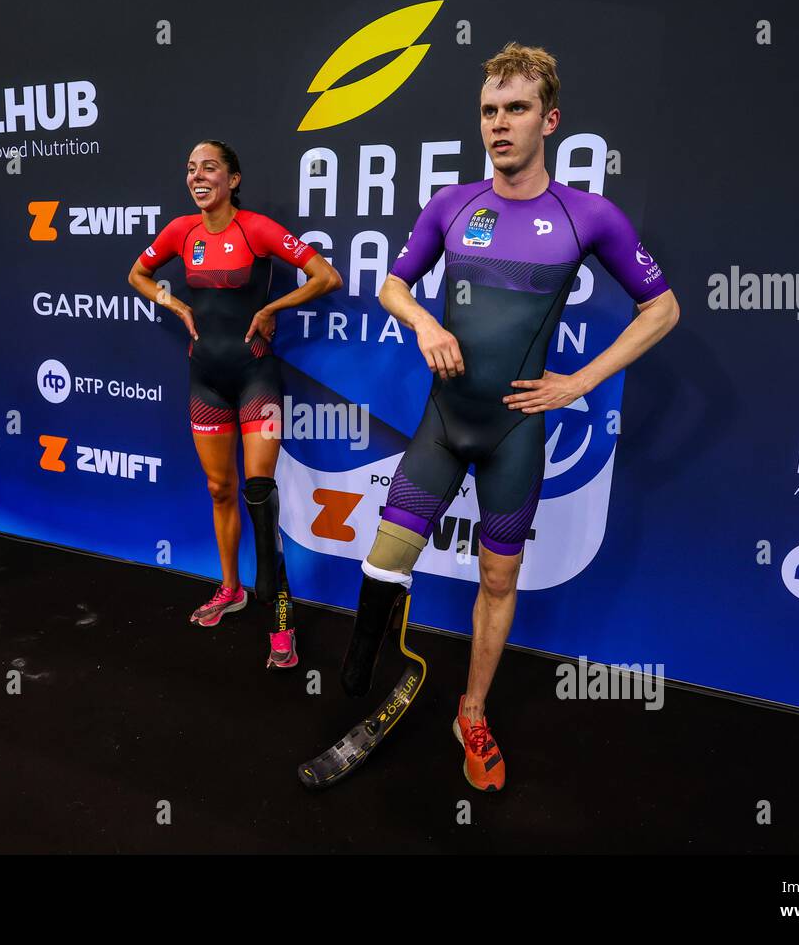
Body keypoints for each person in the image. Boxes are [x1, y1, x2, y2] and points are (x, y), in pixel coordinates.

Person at [340, 44, 680, 789]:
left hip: (514, 434)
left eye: (517, 109)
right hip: (442, 423)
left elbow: (663, 307)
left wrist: (580, 382)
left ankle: (472, 710)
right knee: (383, 561)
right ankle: (361, 682)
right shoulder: (453, 206)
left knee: (498, 581)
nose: (500, 124)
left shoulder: (587, 215)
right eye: (490, 110)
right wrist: (425, 325)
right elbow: (395, 287)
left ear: (549, 120)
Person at [128, 140, 342, 668]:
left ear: (234, 179)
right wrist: (174, 305)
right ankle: (231, 588)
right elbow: (137, 274)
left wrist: (272, 307)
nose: (197, 176)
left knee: (258, 494)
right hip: (206, 379)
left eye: (210, 168)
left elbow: (327, 276)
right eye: (191, 168)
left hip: (256, 378)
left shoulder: (258, 229)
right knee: (220, 489)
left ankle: (281, 620)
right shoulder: (182, 231)